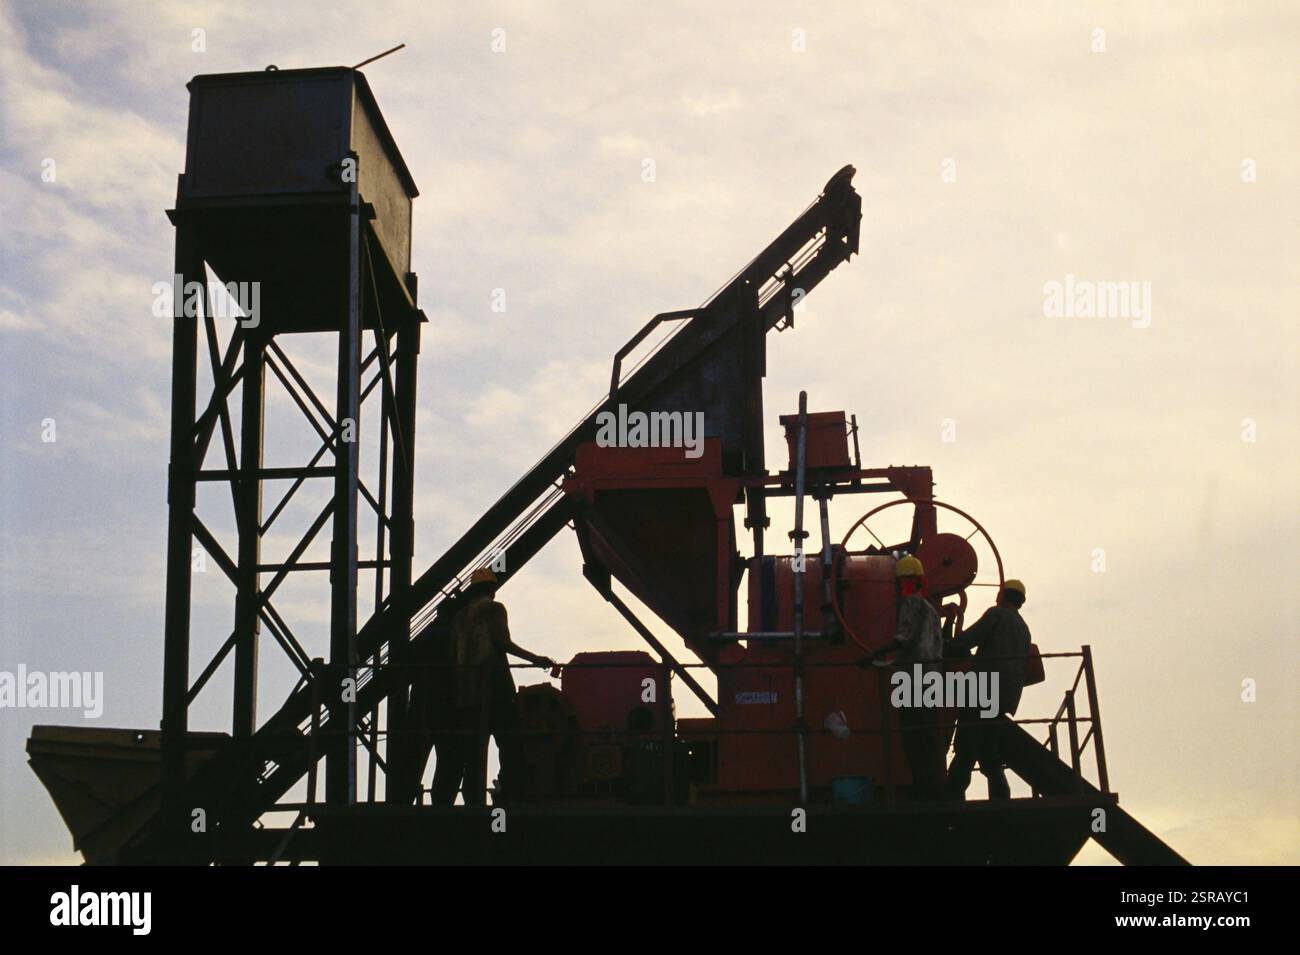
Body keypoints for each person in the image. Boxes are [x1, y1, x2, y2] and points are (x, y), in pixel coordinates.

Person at [442, 567, 555, 806]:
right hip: (496, 688)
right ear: (491, 589)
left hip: (466, 695)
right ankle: (511, 795)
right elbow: (503, 643)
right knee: (510, 743)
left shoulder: (459, 618)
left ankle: (473, 802)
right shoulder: (494, 609)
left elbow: (452, 657)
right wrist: (537, 659)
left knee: (473, 752)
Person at [866, 554, 946, 800]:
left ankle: (921, 788)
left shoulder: (911, 604)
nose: (901, 586)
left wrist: (873, 654)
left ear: (904, 582)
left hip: (913, 678)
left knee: (913, 736)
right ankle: (935, 788)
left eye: (901, 581)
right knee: (929, 736)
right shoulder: (931, 610)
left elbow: (903, 638)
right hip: (933, 678)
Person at [945, 579, 1032, 799]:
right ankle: (1001, 801)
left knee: (965, 749)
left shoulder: (996, 615)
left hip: (982, 692)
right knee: (989, 754)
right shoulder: (1024, 629)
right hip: (1004, 699)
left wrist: (941, 645)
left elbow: (967, 641)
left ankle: (950, 801)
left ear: (1001, 596)